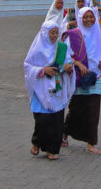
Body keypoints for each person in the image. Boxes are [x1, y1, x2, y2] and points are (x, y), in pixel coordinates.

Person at [64, 6, 101, 155]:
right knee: (76, 109)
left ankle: (91, 143)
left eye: (91, 16)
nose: (89, 19)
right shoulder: (73, 35)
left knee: (93, 111)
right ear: (80, 18)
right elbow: (66, 56)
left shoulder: (97, 33)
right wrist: (78, 64)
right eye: (85, 17)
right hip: (79, 77)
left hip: (96, 76)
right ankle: (64, 133)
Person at [24, 20, 73, 160]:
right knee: (42, 120)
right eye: (52, 33)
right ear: (45, 33)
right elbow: (28, 67)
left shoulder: (61, 48)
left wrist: (68, 68)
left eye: (57, 33)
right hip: (41, 88)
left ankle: (53, 149)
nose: (55, 35)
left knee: (57, 120)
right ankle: (37, 142)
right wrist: (43, 70)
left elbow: (68, 62)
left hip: (57, 87)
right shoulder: (37, 49)